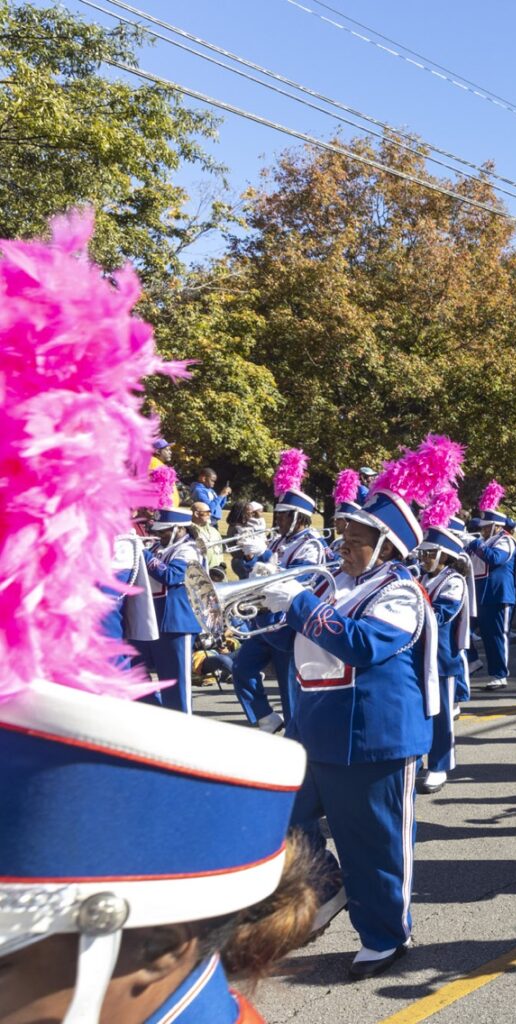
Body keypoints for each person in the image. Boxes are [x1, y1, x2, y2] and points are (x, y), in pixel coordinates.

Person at [0, 207, 314, 1023]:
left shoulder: (356, 574)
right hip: (170, 629)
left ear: (152, 949)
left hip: (196, 633)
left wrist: (301, 596)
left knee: (181, 691)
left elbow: (151, 583)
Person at [265, 437, 460, 979]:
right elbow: (302, 643)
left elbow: (363, 645)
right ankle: (329, 885)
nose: (343, 547)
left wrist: (300, 606)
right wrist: (271, 614)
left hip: (375, 738)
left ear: (388, 548)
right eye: (344, 537)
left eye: (356, 540)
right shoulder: (338, 586)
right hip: (318, 729)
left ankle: (386, 935)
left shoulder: (402, 592)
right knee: (285, 817)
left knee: (374, 845)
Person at [229, 450, 329, 734]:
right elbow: (256, 575)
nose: (278, 521)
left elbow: (297, 580)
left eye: (283, 516)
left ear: (299, 517)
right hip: (264, 622)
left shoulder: (311, 545)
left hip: (287, 626)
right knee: (241, 669)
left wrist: (263, 557)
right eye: (278, 515)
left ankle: (298, 742)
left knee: (290, 694)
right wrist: (250, 557)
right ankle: (266, 718)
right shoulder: (277, 541)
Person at [417, 495, 473, 795]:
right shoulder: (421, 576)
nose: (424, 558)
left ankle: (439, 764)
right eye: (423, 552)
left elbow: (439, 615)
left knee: (440, 717)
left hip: (441, 658)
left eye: (430, 553)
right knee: (417, 713)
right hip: (417, 655)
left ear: (444, 555)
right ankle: (416, 759)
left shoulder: (454, 581)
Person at [141, 466, 205, 714]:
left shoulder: (188, 549)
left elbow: (172, 576)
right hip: (154, 622)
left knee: (177, 688)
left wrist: (144, 554)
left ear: (179, 529)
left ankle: (184, 729)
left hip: (177, 624)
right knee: (133, 673)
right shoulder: (159, 548)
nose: (159, 536)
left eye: (165, 531)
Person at [466, 480, 516, 692]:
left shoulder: (506, 540)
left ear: (497, 526)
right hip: (479, 595)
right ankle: (472, 661)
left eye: (487, 527)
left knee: (496, 636)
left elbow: (496, 559)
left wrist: (476, 544)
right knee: (463, 630)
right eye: (483, 527)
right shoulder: (483, 542)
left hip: (498, 595)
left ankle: (499, 675)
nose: (484, 530)